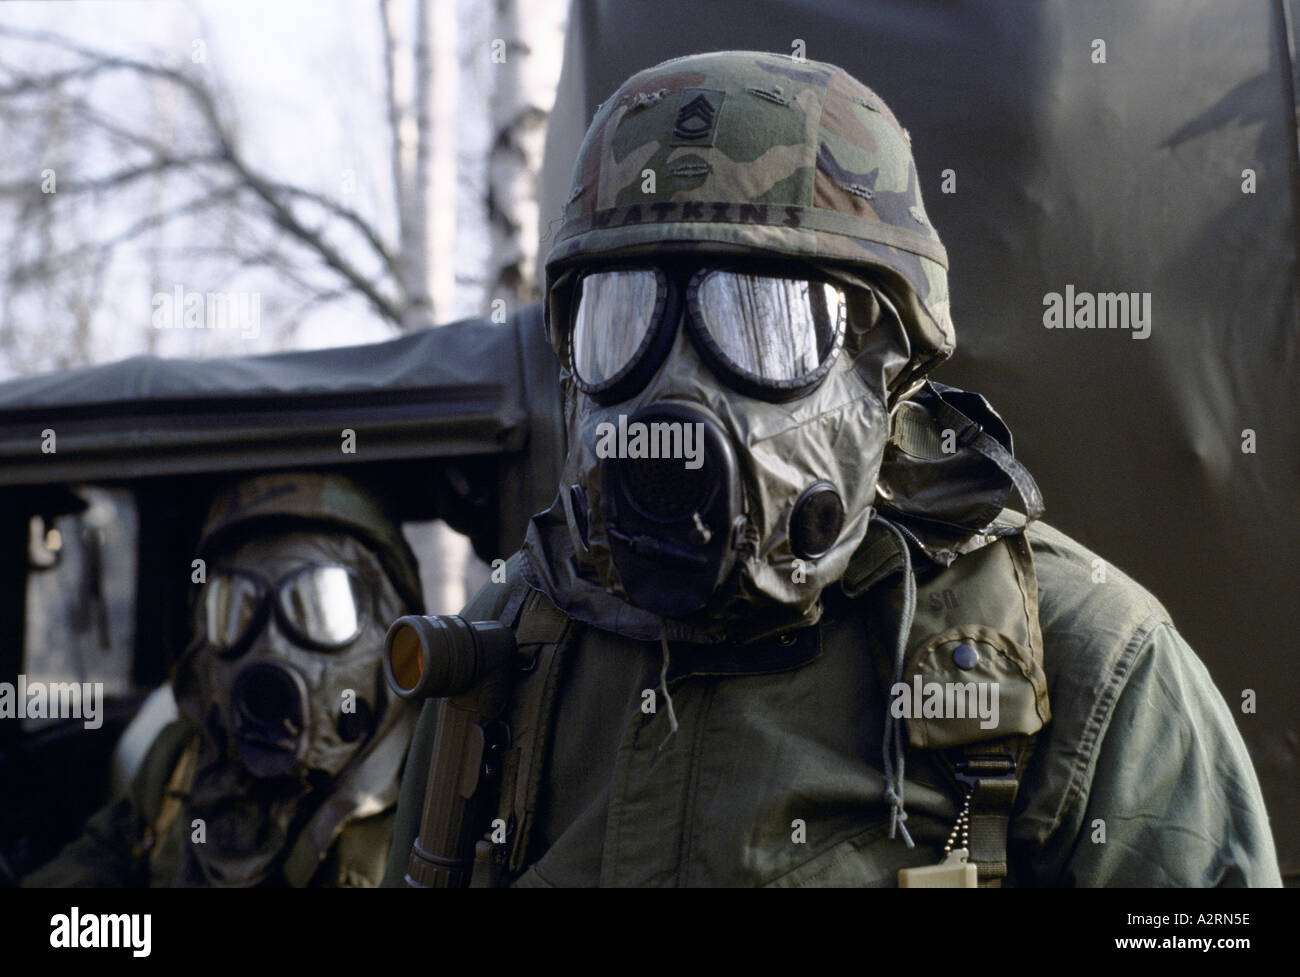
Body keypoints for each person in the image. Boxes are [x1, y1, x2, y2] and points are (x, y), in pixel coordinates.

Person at [385, 51, 1281, 888]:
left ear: (889, 358)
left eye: (762, 324)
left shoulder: (1076, 662)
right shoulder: (513, 653)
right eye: (623, 324)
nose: (673, 395)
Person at [25, 471, 424, 887]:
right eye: (236, 610)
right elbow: (98, 860)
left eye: (318, 608)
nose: (270, 649)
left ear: (389, 622)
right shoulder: (181, 758)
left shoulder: (434, 784)